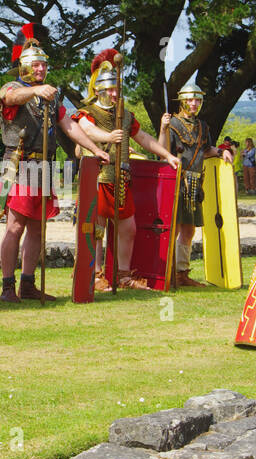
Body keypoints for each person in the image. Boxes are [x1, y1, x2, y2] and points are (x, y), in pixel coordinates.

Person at [0, 38, 108, 303]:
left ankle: (28, 284)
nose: (42, 69)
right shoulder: (14, 87)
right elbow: (9, 97)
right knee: (15, 226)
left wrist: (95, 149)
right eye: (36, 64)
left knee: (37, 228)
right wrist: (36, 90)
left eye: (44, 65)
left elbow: (69, 126)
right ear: (24, 66)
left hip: (43, 167)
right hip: (19, 164)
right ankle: (7, 287)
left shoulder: (51, 96)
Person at [72, 48, 181, 291]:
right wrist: (108, 135)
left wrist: (167, 155)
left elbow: (143, 138)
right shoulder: (88, 113)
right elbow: (84, 131)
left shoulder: (125, 115)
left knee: (128, 228)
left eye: (117, 90)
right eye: (110, 90)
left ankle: (122, 275)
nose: (114, 94)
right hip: (98, 177)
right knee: (97, 229)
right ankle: (96, 274)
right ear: (99, 89)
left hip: (121, 178)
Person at [159, 82, 234, 286]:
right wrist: (163, 128)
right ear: (182, 101)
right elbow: (162, 150)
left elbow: (205, 150)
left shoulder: (202, 126)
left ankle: (181, 273)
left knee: (189, 230)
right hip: (177, 181)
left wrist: (221, 151)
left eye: (198, 100)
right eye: (191, 99)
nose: (194, 103)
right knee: (173, 229)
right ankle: (167, 272)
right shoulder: (173, 124)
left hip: (195, 181)